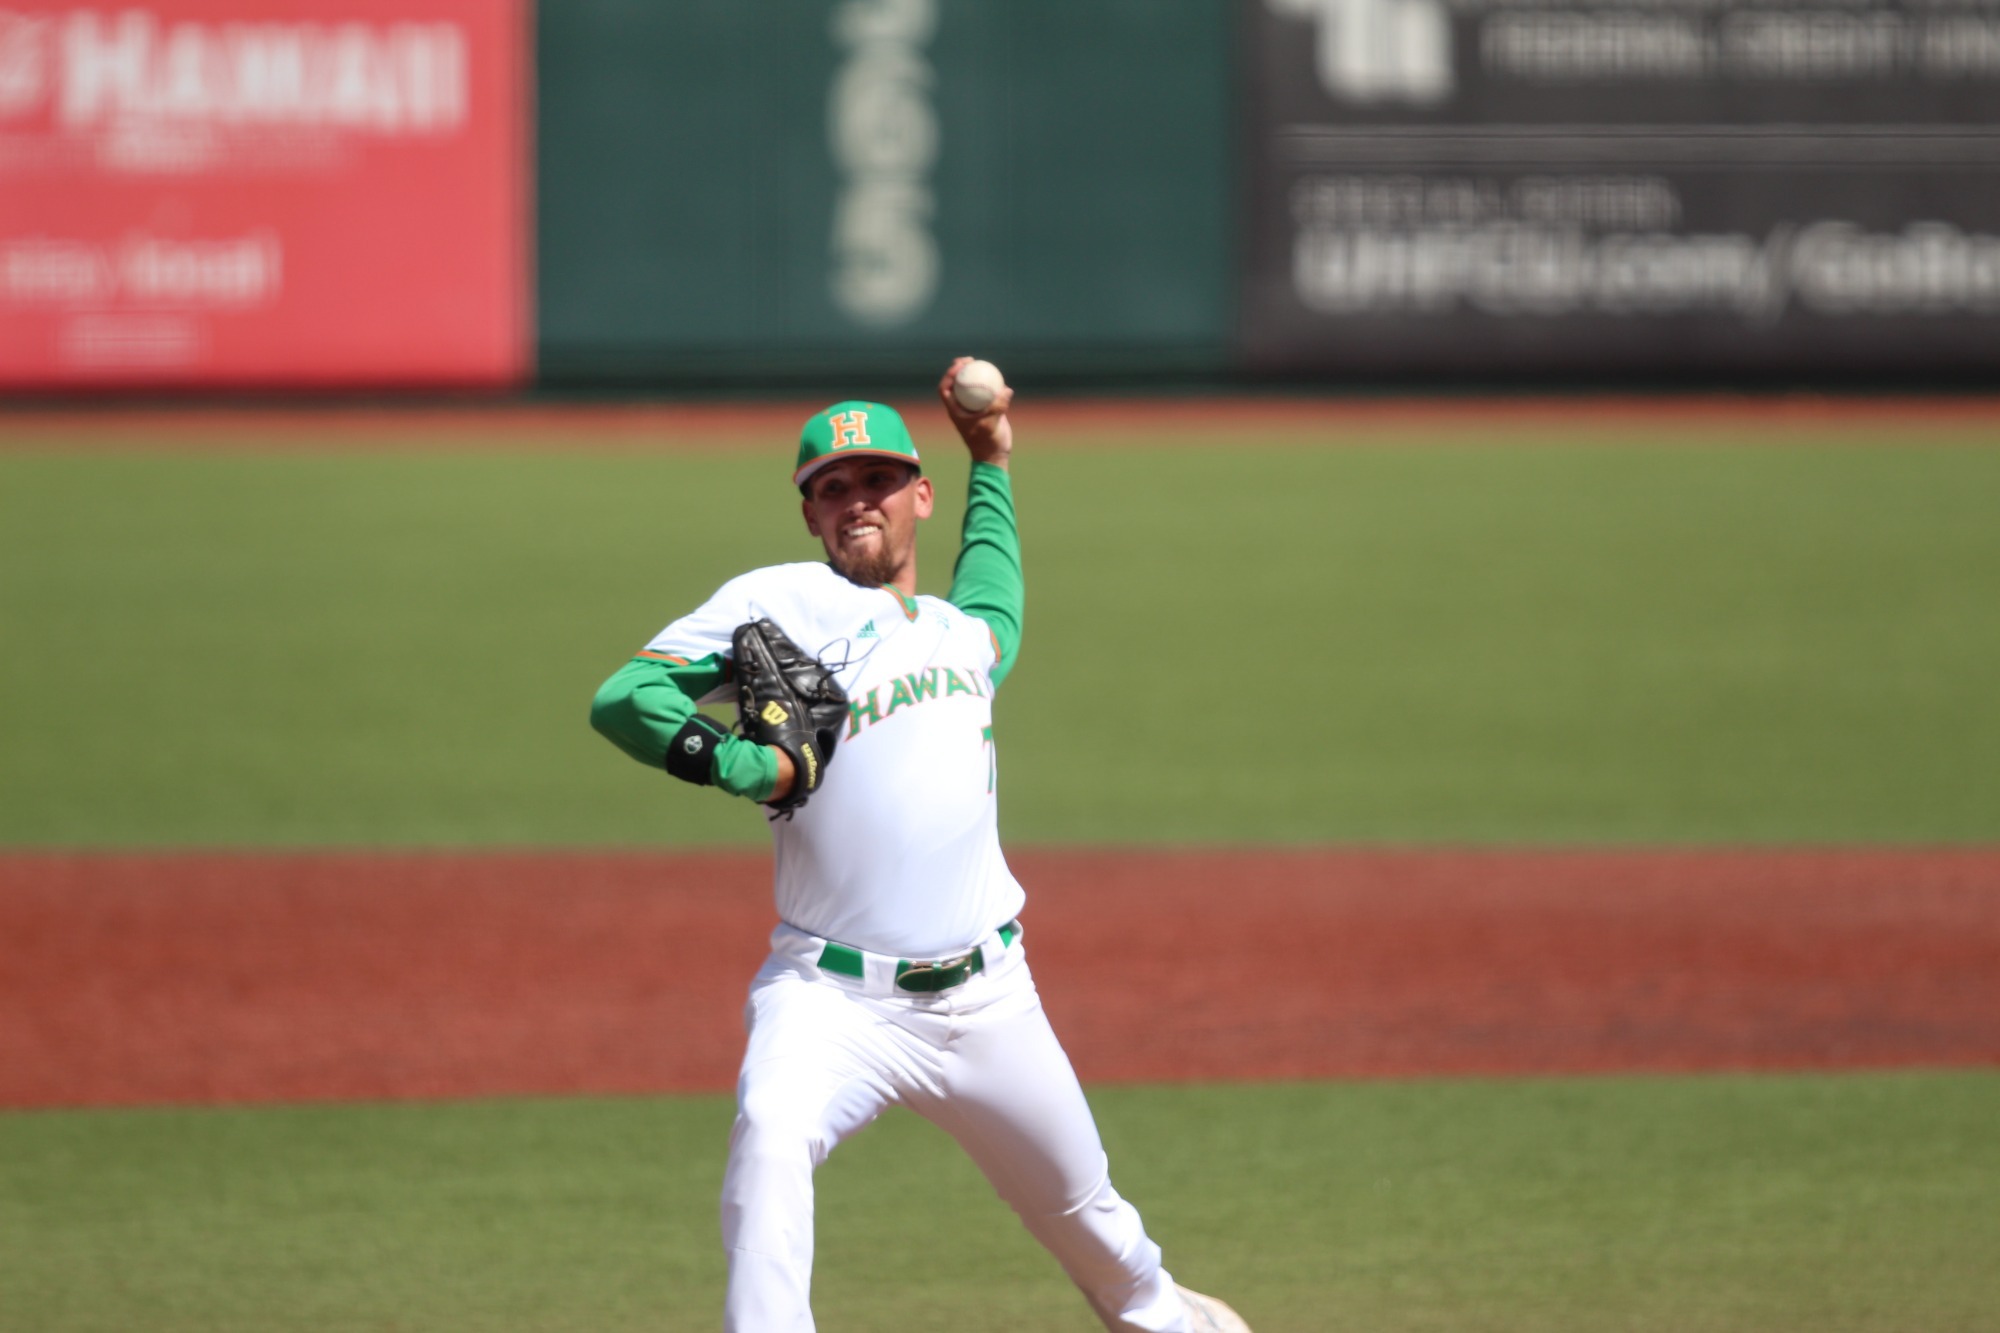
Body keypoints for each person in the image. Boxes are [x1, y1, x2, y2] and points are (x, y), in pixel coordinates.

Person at [589, 360, 1250, 1333]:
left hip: (989, 1001)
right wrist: (742, 764)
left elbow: (995, 588)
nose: (856, 500)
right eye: (832, 487)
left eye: (876, 480)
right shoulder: (774, 604)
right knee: (770, 1137)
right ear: (810, 514)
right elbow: (625, 700)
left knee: (1108, 1247)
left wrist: (991, 459)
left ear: (917, 496)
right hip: (829, 999)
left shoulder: (959, 635)